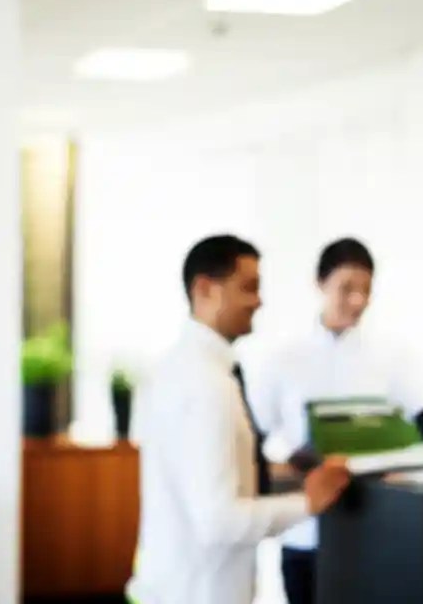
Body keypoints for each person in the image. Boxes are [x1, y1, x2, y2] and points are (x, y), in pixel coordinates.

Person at [126, 235, 352, 604]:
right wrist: (308, 503)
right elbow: (218, 519)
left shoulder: (181, 368)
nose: (259, 301)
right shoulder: (203, 383)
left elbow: (198, 476)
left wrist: (277, 470)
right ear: (205, 289)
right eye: (248, 287)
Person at [247, 237, 423, 604]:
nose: (357, 301)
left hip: (373, 521)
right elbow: (257, 432)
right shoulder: (283, 358)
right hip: (306, 529)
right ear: (320, 284)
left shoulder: (390, 353)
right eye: (346, 288)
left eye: (365, 291)